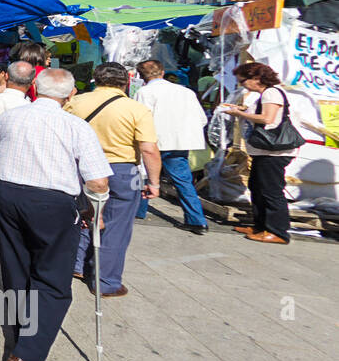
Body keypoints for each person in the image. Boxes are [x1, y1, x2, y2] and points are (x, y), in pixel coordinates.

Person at [0, 68, 111, 361]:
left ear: (34, 88)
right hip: (51, 201)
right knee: (54, 279)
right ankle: (27, 353)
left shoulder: (10, 116)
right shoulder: (76, 126)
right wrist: (97, 213)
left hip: (7, 192)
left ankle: (21, 332)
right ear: (70, 95)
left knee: (16, 265)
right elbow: (98, 182)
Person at [66, 63, 161, 297]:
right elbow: (148, 149)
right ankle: (105, 280)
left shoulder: (75, 103)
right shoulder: (135, 109)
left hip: (80, 168)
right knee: (116, 226)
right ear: (125, 82)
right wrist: (154, 182)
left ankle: (77, 265)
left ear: (95, 80)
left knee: (84, 216)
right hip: (120, 170)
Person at [221, 62, 298, 244]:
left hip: (274, 152)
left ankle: (278, 231)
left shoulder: (271, 92)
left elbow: (267, 118)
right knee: (257, 186)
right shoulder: (265, 94)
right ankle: (260, 225)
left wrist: (240, 115)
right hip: (264, 151)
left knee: (271, 191)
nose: (242, 85)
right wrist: (241, 110)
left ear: (256, 78)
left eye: (243, 81)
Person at [134, 59, 209, 233]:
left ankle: (139, 210)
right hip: (180, 141)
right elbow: (201, 118)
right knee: (183, 181)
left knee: (144, 174)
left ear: (141, 76)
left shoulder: (145, 92)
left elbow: (141, 119)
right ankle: (197, 220)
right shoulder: (186, 92)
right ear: (162, 72)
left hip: (154, 141)